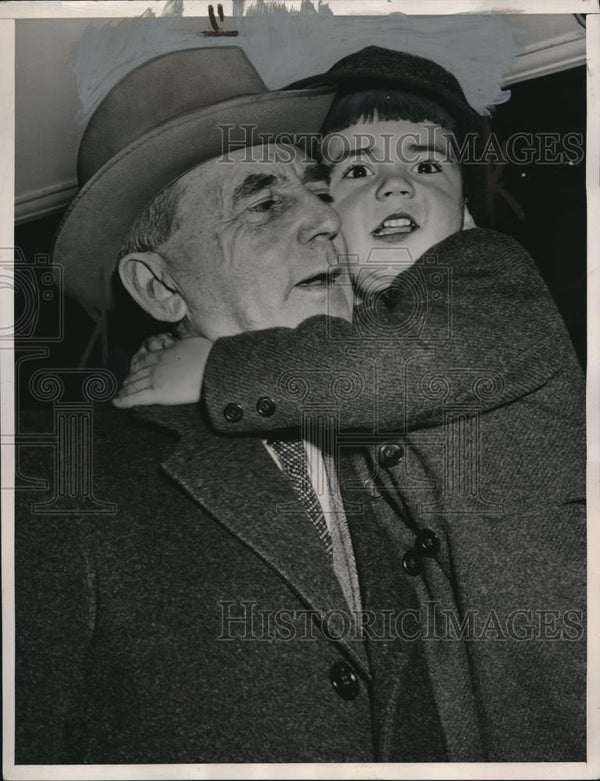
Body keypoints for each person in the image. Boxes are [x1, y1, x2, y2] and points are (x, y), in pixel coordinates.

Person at [114, 47, 586, 762]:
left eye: (428, 165)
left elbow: (402, 364)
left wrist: (215, 367)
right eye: (356, 174)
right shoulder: (341, 337)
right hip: (469, 710)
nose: (396, 185)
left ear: (465, 208)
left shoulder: (489, 275)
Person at [15, 46, 450, 764]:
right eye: (265, 203)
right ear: (159, 287)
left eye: (317, 189)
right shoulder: (59, 480)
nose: (327, 220)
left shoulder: (420, 414)